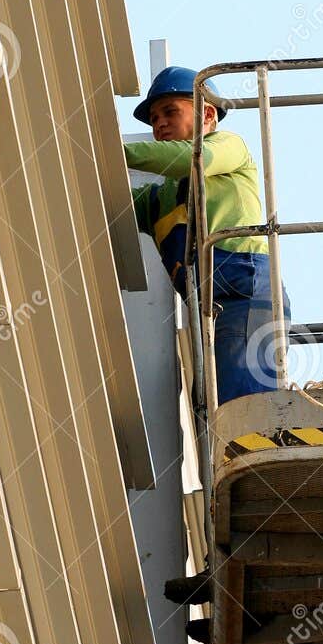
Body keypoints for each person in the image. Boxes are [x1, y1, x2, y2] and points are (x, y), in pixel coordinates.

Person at [124, 65, 290, 404]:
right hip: (205, 303)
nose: (160, 124)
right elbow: (107, 208)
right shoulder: (159, 199)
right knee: (212, 408)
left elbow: (192, 158)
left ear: (207, 114)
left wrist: (112, 152)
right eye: (154, 119)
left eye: (170, 112)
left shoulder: (227, 146)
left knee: (243, 403)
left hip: (245, 285)